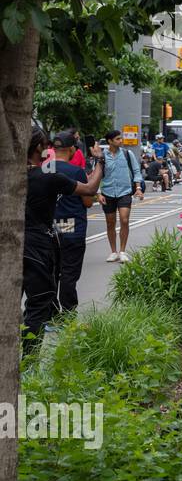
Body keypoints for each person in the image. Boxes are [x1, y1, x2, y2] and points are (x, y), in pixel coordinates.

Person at [23, 131, 103, 351]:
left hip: (17, 243)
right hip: (41, 245)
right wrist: (99, 161)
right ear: (40, 148)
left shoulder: (12, 175)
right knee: (39, 303)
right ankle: (29, 364)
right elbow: (90, 192)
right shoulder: (49, 176)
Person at [49, 132, 94, 315]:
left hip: (50, 226)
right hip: (72, 226)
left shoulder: (44, 169)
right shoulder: (76, 171)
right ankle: (67, 314)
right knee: (69, 272)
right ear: (72, 149)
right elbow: (88, 202)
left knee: (52, 271)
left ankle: (51, 312)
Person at [99, 129, 143, 262]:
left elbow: (136, 171)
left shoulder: (127, 154)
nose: (121, 141)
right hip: (107, 193)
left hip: (125, 192)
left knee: (124, 220)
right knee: (110, 223)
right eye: (118, 139)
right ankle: (113, 252)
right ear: (110, 141)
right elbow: (96, 175)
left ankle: (123, 251)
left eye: (120, 138)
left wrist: (138, 188)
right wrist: (98, 193)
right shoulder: (102, 157)